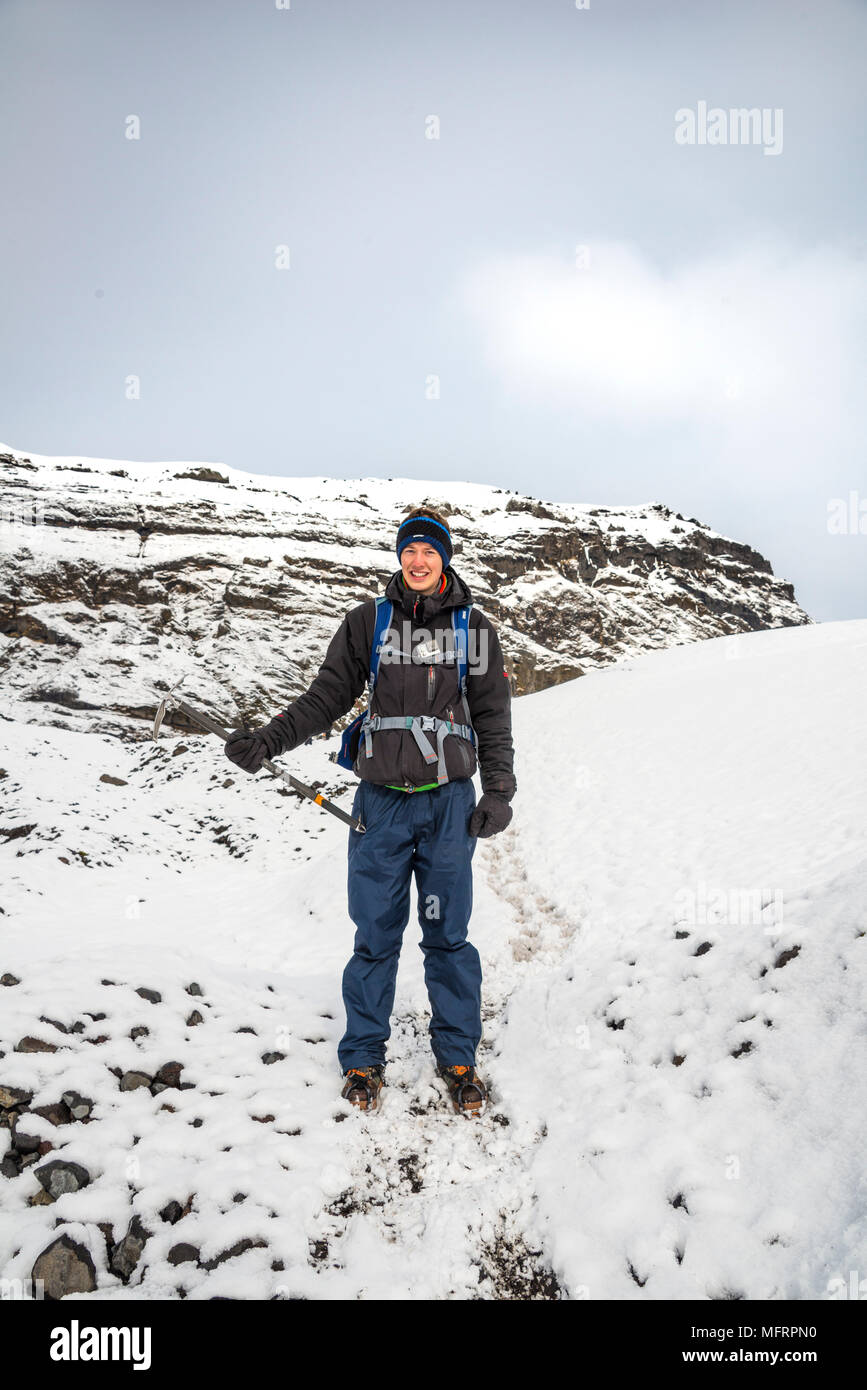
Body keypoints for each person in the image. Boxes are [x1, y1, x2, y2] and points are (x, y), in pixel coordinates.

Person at [224, 507, 516, 1116]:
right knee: (375, 937)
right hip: (380, 807)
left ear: (445, 559)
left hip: (448, 806)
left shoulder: (474, 629)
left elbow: (492, 716)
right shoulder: (367, 623)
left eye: (429, 551)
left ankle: (458, 1055)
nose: (418, 560)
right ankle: (363, 1057)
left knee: (448, 935)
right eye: (409, 550)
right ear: (400, 557)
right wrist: (269, 741)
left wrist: (499, 792)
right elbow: (327, 696)